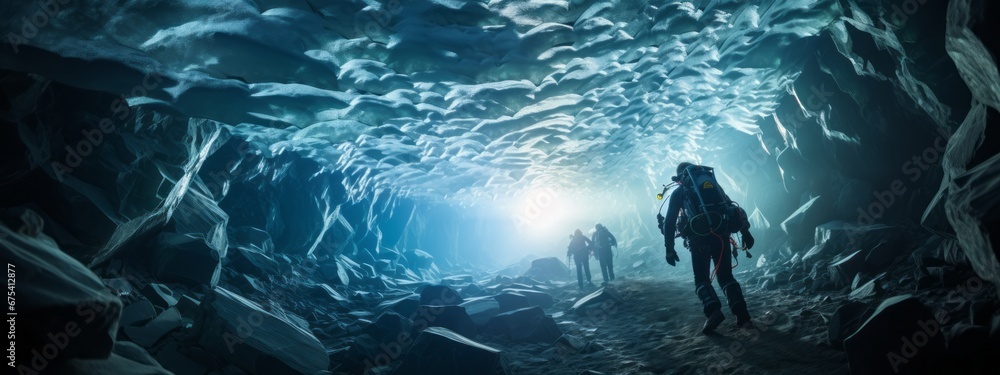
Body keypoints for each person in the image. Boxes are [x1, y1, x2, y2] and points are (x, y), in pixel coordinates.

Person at [660, 162, 756, 333]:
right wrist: (745, 232)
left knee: (702, 279)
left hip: (699, 240)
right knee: (726, 277)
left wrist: (669, 249)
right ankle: (742, 313)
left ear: (680, 178)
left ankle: (713, 313)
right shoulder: (714, 187)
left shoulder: (681, 191)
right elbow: (732, 208)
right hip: (722, 235)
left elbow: (669, 222)